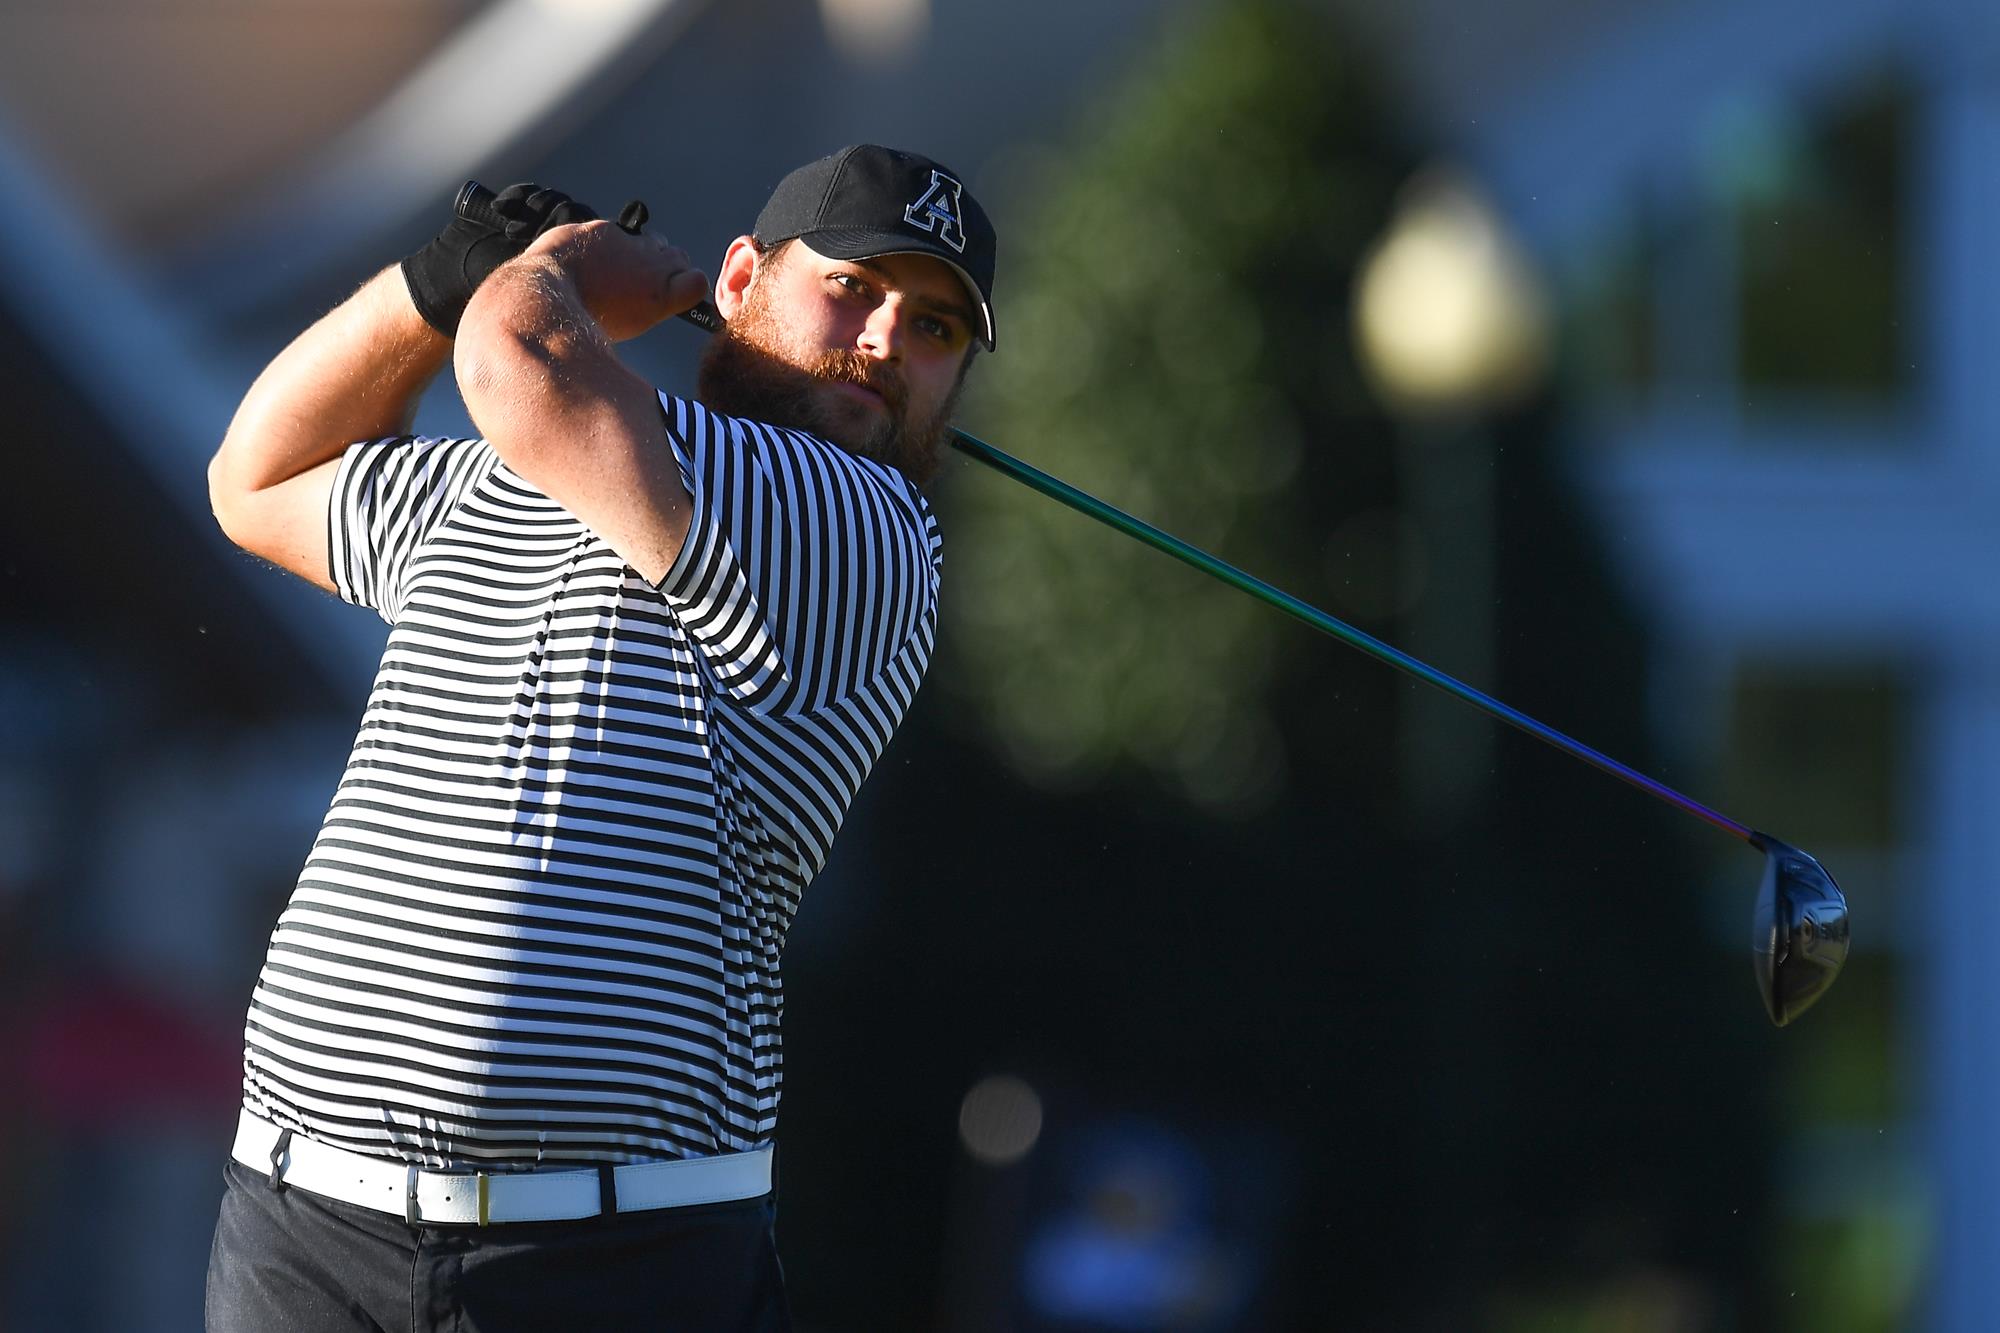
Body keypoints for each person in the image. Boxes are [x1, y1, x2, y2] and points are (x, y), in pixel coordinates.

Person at [201, 144, 998, 1332]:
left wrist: (551, 268)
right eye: (855, 286)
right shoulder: (507, 478)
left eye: (934, 327)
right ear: (739, 282)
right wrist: (429, 283)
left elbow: (517, 362)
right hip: (303, 1231)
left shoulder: (864, 529)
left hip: (608, 1263)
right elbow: (257, 479)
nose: (886, 340)